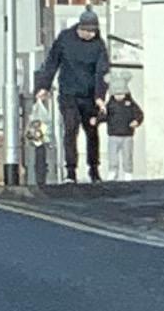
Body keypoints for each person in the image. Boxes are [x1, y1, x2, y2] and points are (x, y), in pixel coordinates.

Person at [39, 10, 113, 184]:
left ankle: (94, 169)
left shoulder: (99, 45)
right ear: (80, 27)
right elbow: (52, 63)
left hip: (90, 96)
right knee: (71, 130)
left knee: (92, 131)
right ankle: (71, 171)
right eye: (88, 31)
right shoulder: (65, 39)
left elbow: (102, 71)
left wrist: (100, 96)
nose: (91, 34)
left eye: (94, 31)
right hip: (69, 94)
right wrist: (44, 86)